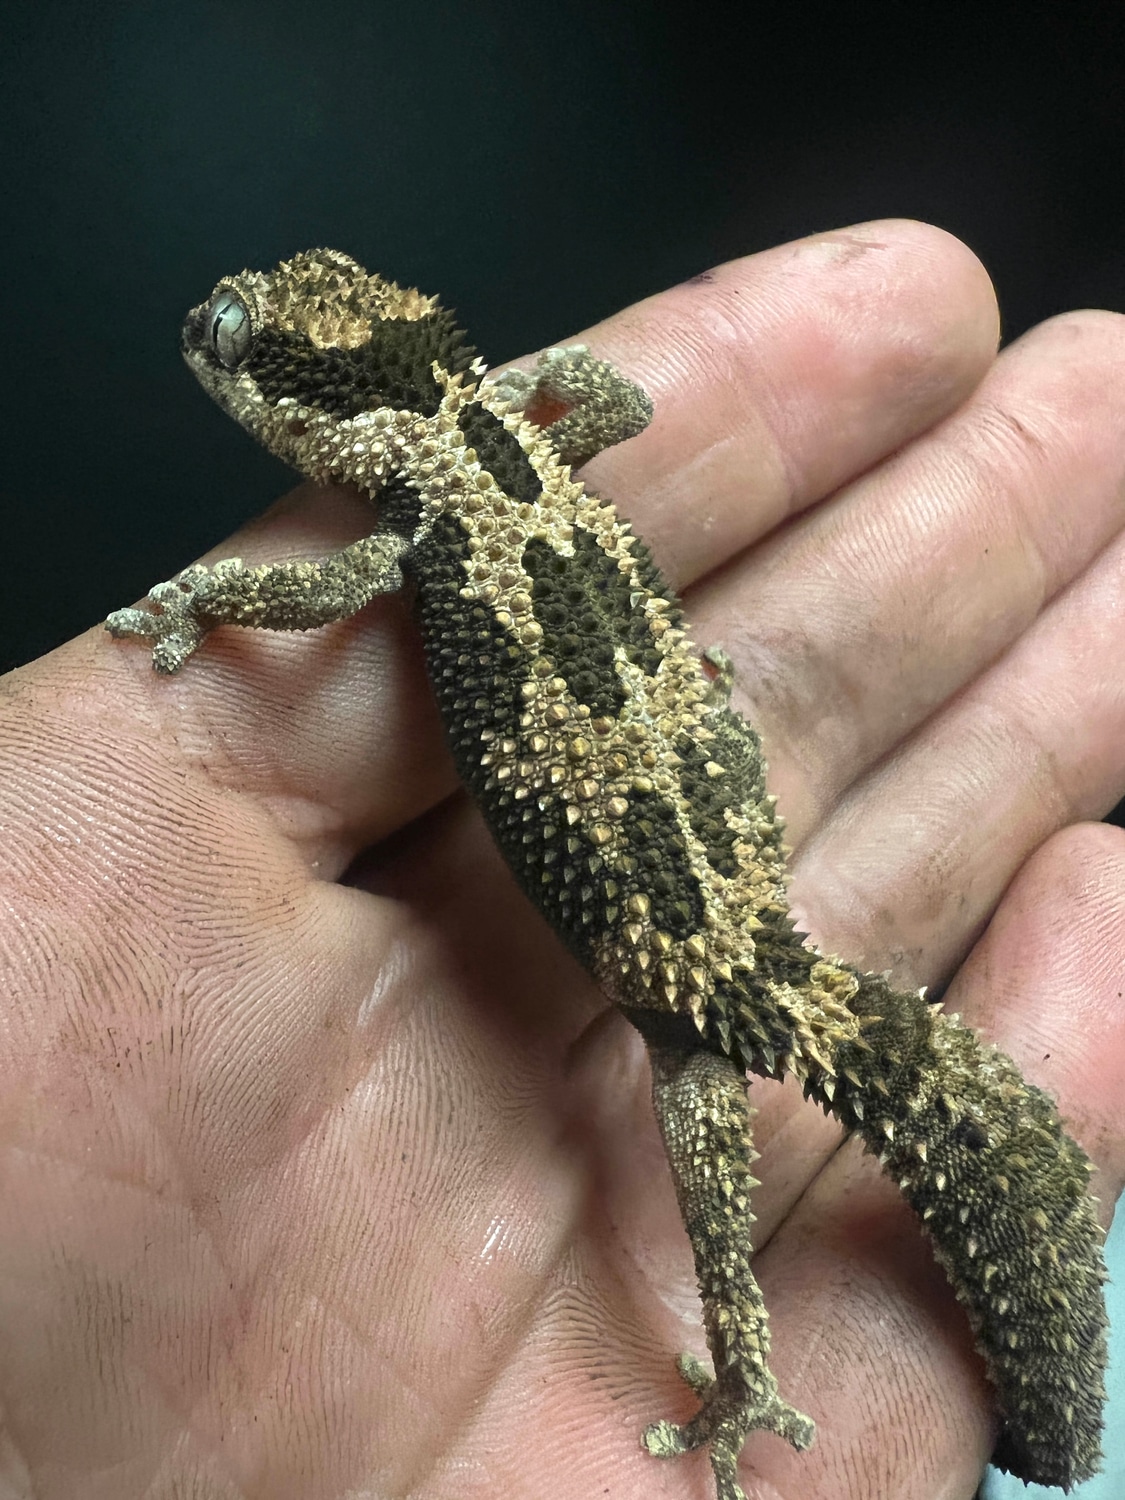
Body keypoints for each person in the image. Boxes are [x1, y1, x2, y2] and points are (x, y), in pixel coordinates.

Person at [0, 218, 1120, 1498]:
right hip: (713, 849)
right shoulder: (523, 434)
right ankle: (852, 1393)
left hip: (697, 970)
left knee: (719, 1176)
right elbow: (614, 393)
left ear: (341, 421)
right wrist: (538, 404)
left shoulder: (406, 521)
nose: (220, 342)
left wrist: (203, 599)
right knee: (767, 1152)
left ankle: (770, 1380)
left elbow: (320, 594)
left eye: (250, 349)